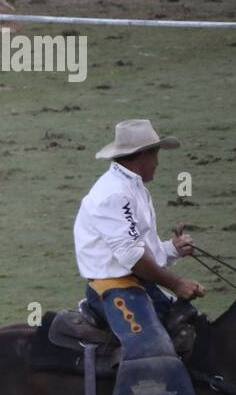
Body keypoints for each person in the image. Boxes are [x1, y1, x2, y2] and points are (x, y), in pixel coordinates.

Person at [74, 118, 204, 323]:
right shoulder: (114, 194)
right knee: (156, 351)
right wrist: (177, 284)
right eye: (156, 155)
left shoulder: (132, 188)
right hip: (113, 290)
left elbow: (140, 249)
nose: (158, 163)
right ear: (144, 155)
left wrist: (173, 249)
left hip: (138, 286)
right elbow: (132, 257)